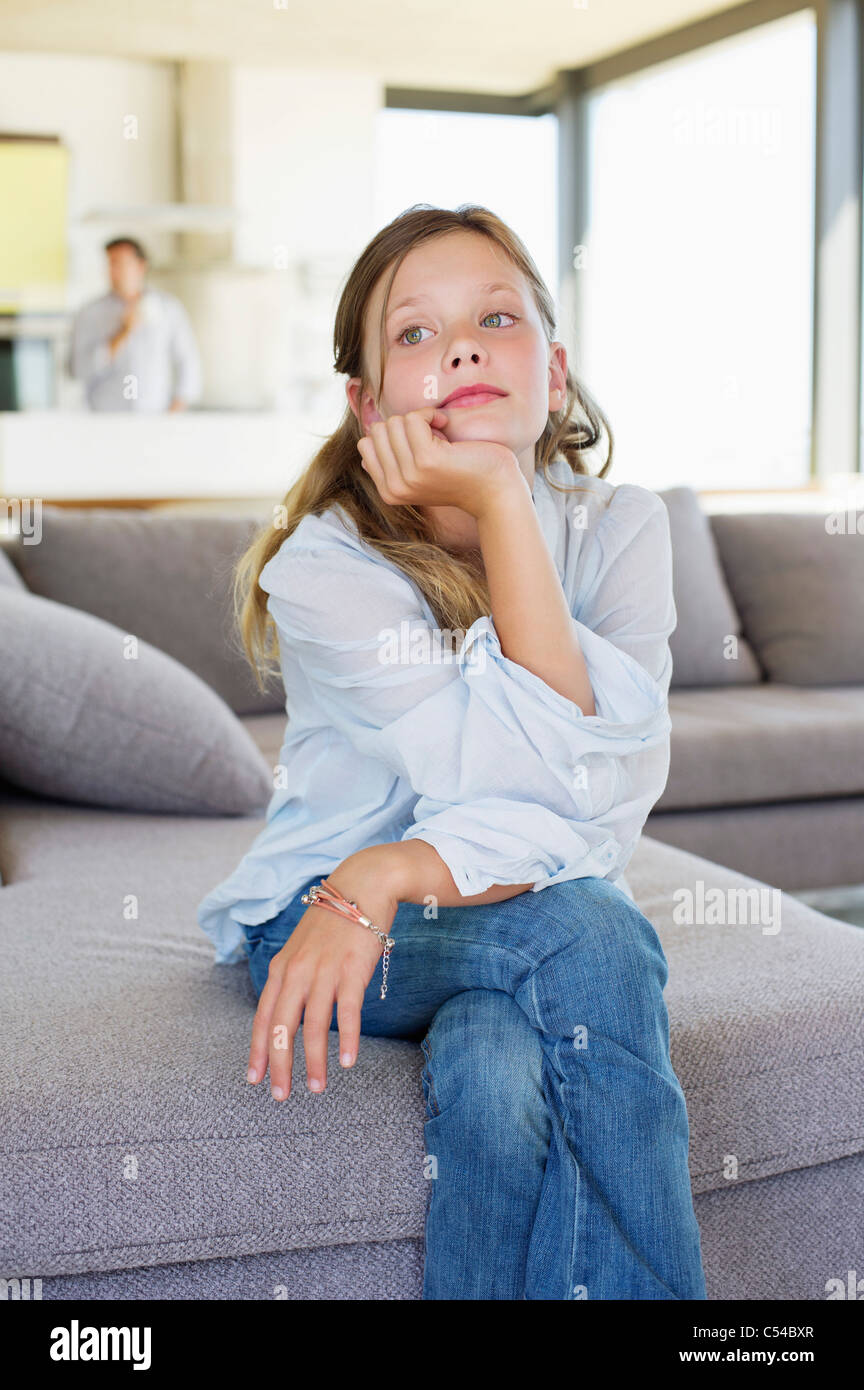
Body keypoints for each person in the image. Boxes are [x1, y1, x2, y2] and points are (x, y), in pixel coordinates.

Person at [196, 203, 708, 1301]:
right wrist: (377, 871)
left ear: (555, 373)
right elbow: (542, 792)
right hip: (328, 919)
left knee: (496, 1068)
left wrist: (501, 500)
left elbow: (601, 800)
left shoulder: (624, 527)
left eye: (495, 317)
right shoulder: (323, 570)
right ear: (366, 402)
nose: (462, 346)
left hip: (454, 906)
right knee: (595, 930)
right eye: (416, 335)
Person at [69, 236, 202, 412]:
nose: (113, 271)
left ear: (141, 266)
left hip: (155, 417)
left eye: (121, 264)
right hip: (105, 419)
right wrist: (123, 333)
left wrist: (176, 409)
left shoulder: (169, 309)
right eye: (110, 264)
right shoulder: (89, 314)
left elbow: (188, 361)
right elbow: (78, 370)